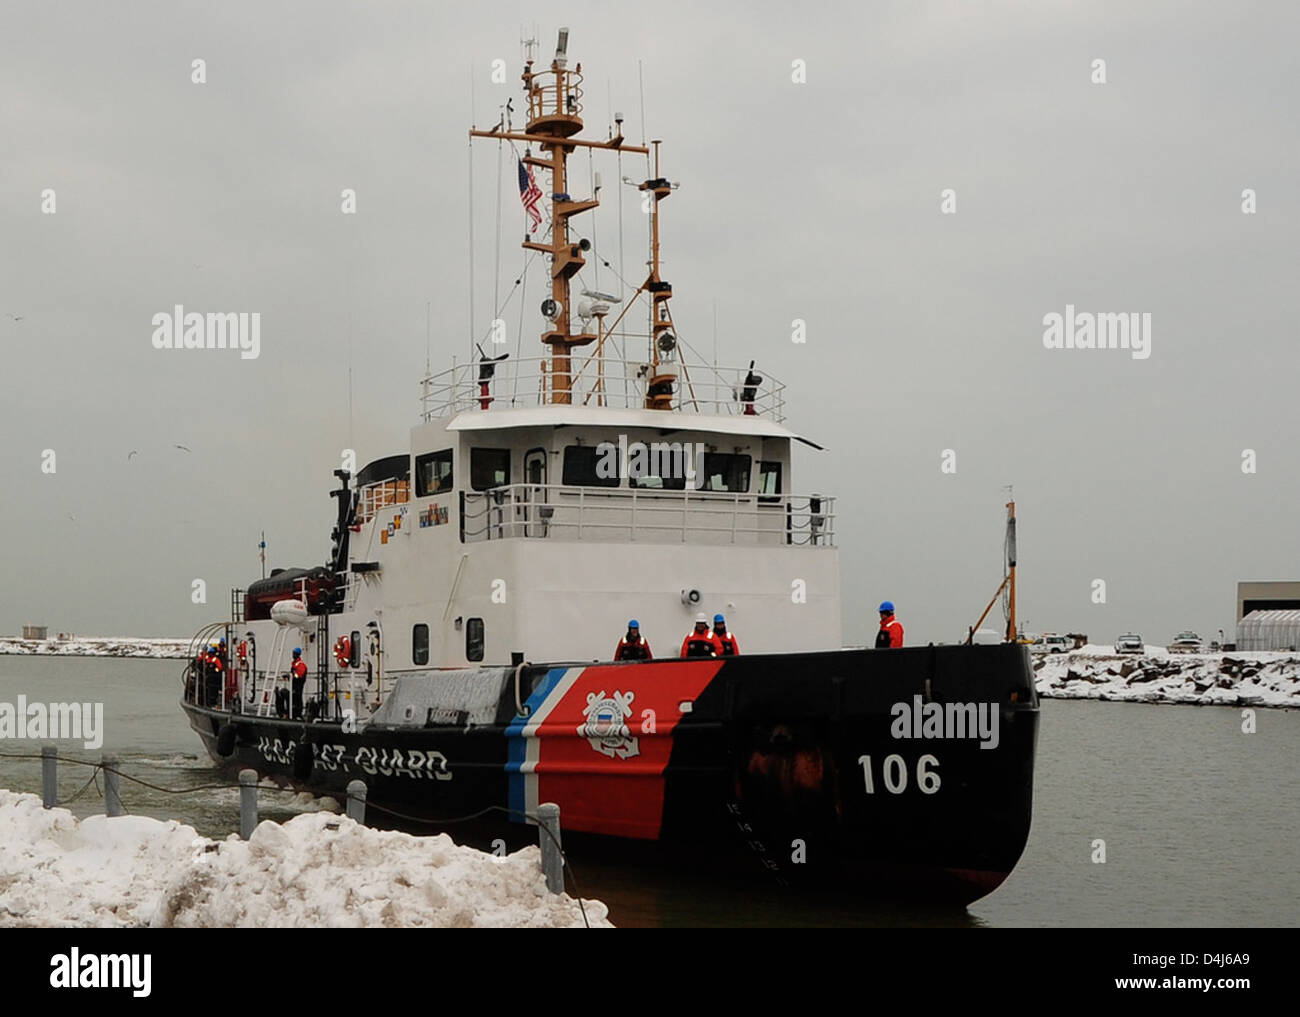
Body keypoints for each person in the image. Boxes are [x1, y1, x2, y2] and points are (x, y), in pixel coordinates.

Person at [290, 647, 309, 719]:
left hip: (298, 684)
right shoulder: (295, 663)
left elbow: (299, 675)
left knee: (298, 697)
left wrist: (293, 675)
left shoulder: (300, 664)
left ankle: (298, 713)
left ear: (297, 654)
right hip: (294, 683)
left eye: (294, 653)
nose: (293, 655)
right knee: (294, 697)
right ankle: (294, 712)